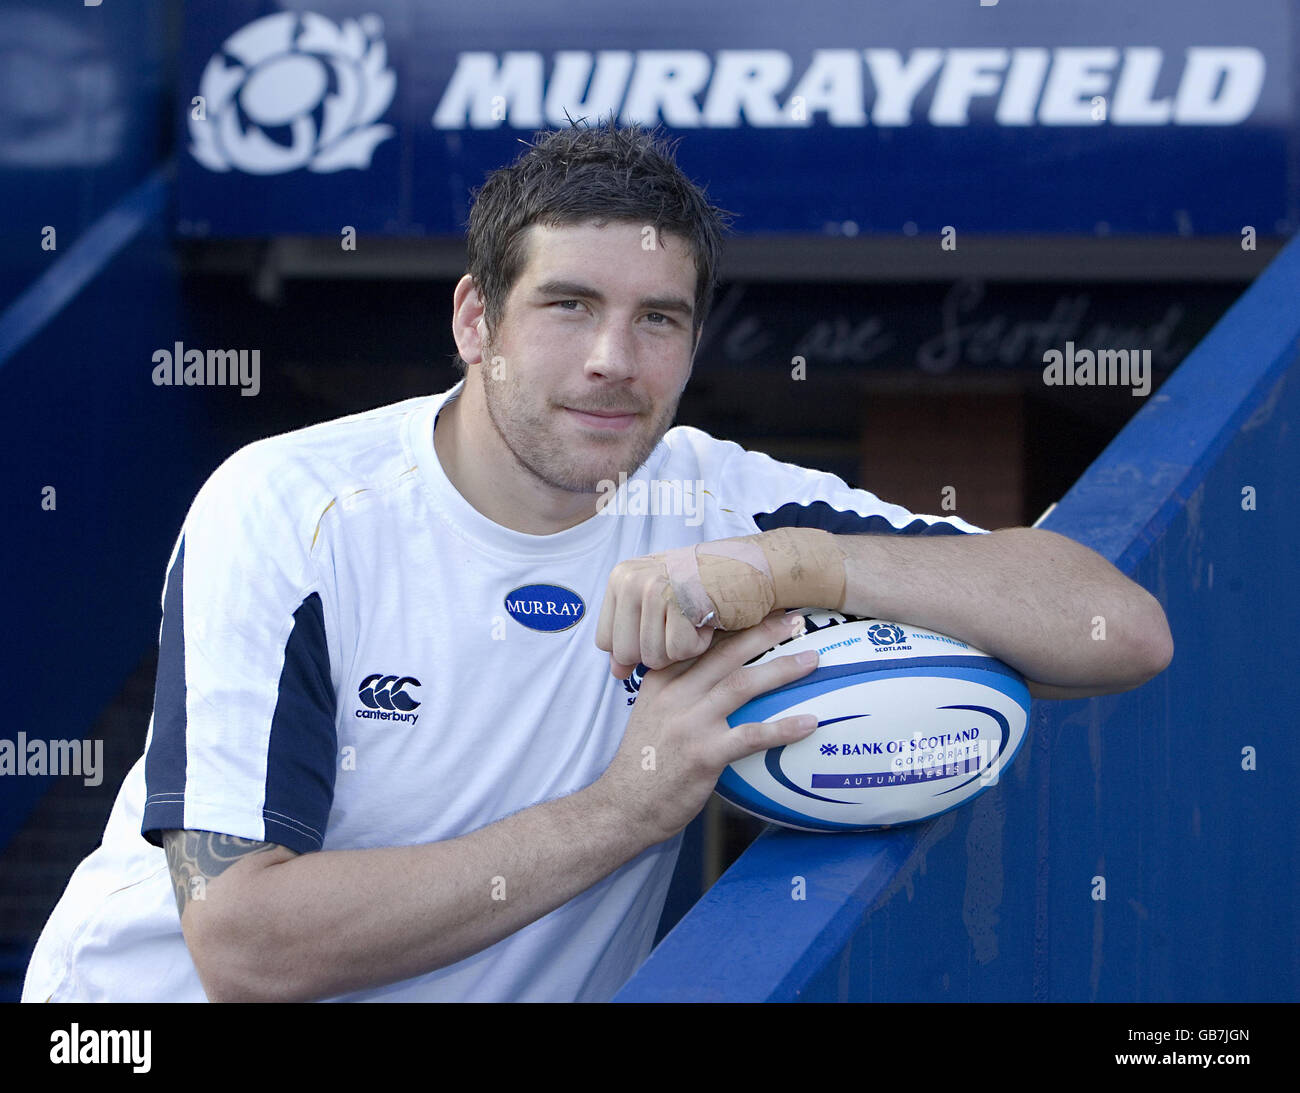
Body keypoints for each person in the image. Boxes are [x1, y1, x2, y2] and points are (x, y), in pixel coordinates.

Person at [22, 120, 1172, 1003]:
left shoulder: (721, 498)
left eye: (659, 319)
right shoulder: (295, 506)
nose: (615, 360)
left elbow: (1119, 632)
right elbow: (243, 944)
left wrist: (802, 568)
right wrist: (631, 804)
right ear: (477, 318)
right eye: (567, 305)